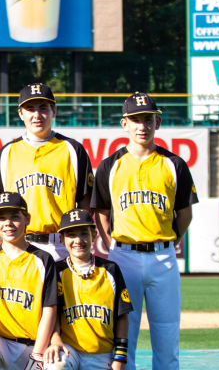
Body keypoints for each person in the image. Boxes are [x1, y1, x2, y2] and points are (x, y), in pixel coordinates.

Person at [91, 93, 197, 370]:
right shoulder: (109, 166)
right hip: (124, 256)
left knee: (167, 331)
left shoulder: (174, 164)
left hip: (163, 257)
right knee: (125, 335)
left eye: (148, 119)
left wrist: (171, 238)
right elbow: (101, 212)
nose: (142, 126)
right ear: (124, 124)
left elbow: (185, 213)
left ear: (157, 122)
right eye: (136, 120)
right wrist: (109, 243)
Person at [0, 84, 93, 260]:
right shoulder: (6, 153)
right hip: (18, 243)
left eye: (43, 108)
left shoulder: (73, 149)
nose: (37, 115)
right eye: (30, 109)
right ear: (21, 113)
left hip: (61, 244)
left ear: (54, 111)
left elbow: (85, 201)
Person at [0, 192, 57, 370]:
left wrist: (37, 355)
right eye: (1, 218)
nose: (8, 223)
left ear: (27, 219)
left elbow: (49, 311)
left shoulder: (43, 259)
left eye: (15, 217)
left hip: (34, 344)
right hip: (0, 343)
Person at [44, 209, 132, 370]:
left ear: (94, 234)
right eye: (71, 235)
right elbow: (53, 313)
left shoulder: (110, 270)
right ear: (62, 239)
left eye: (84, 233)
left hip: (102, 353)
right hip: (69, 351)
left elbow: (122, 317)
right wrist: (55, 339)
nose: (78, 240)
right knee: (54, 365)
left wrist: (120, 358)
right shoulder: (56, 270)